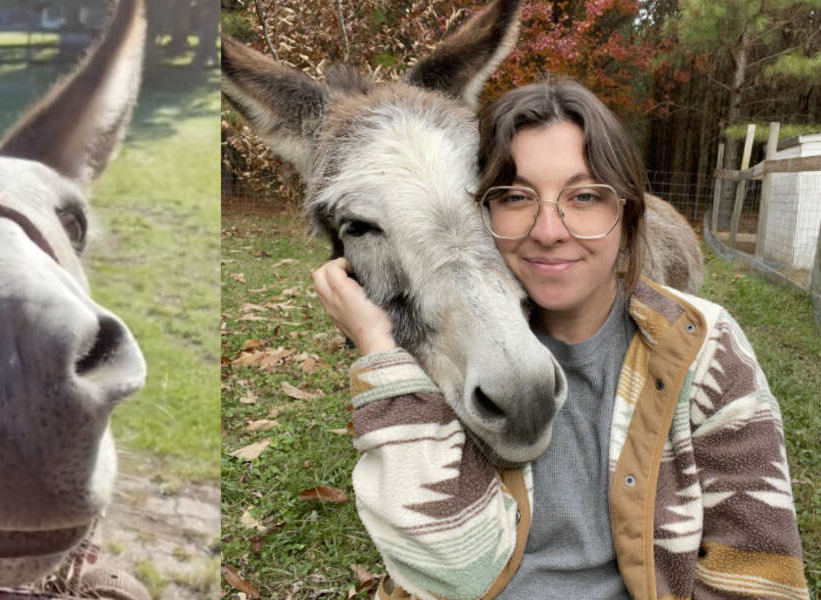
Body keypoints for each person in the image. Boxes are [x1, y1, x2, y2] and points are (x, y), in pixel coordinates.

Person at [311, 79, 808, 600]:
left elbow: (761, 573)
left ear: (630, 211)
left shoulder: (705, 346)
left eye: (585, 195)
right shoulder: (457, 352)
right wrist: (380, 349)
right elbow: (447, 570)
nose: (549, 229)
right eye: (516, 196)